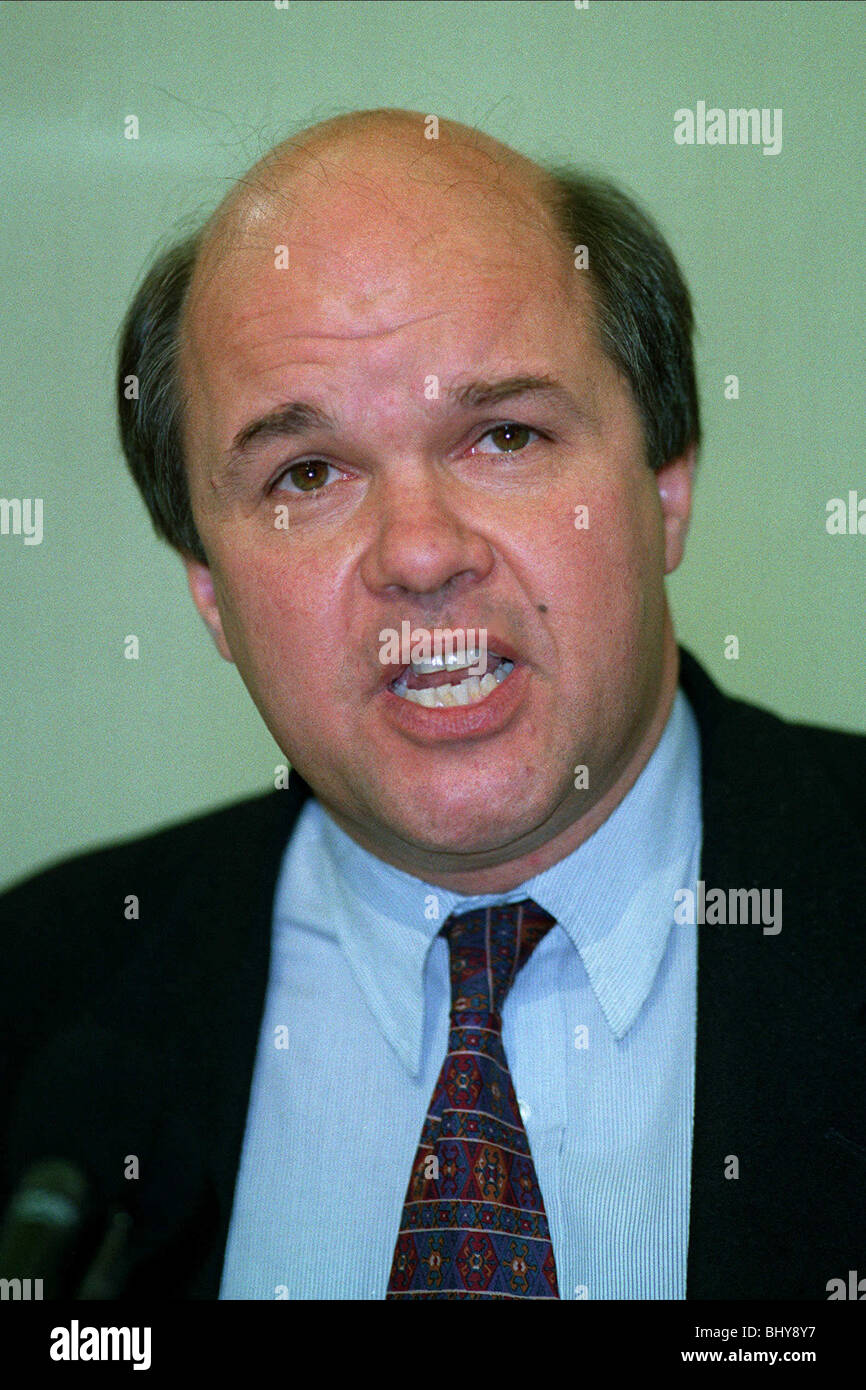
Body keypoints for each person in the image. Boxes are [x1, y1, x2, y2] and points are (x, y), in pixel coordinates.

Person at [1, 108, 863, 1302]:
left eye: (502, 435)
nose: (417, 552)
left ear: (666, 486)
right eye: (306, 473)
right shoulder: (38, 998)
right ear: (207, 586)